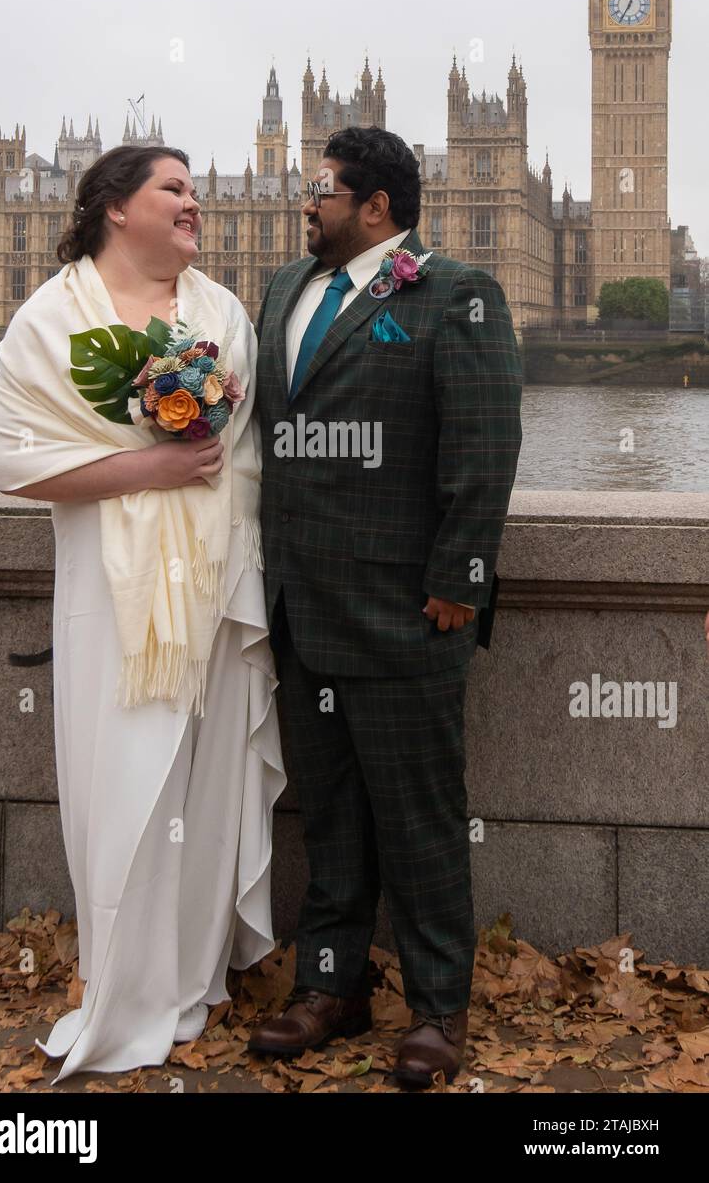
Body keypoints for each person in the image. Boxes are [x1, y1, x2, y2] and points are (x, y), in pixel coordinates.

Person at [0, 144, 285, 1085]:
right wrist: (146, 466)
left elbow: (240, 452)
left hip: (210, 591)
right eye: (176, 190)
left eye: (198, 190)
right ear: (116, 208)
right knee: (120, 789)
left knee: (201, 794)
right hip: (110, 603)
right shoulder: (52, 318)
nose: (195, 204)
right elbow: (17, 460)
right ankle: (119, 984)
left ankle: (187, 978)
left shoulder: (220, 313)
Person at [250, 126, 523, 1089]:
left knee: (419, 819)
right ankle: (331, 987)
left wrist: (459, 581)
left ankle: (439, 1008)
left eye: (321, 188)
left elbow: (483, 449)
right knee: (329, 817)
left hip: (407, 611)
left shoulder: (456, 294)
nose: (305, 202)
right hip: (300, 607)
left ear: (375, 206)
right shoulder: (283, 289)